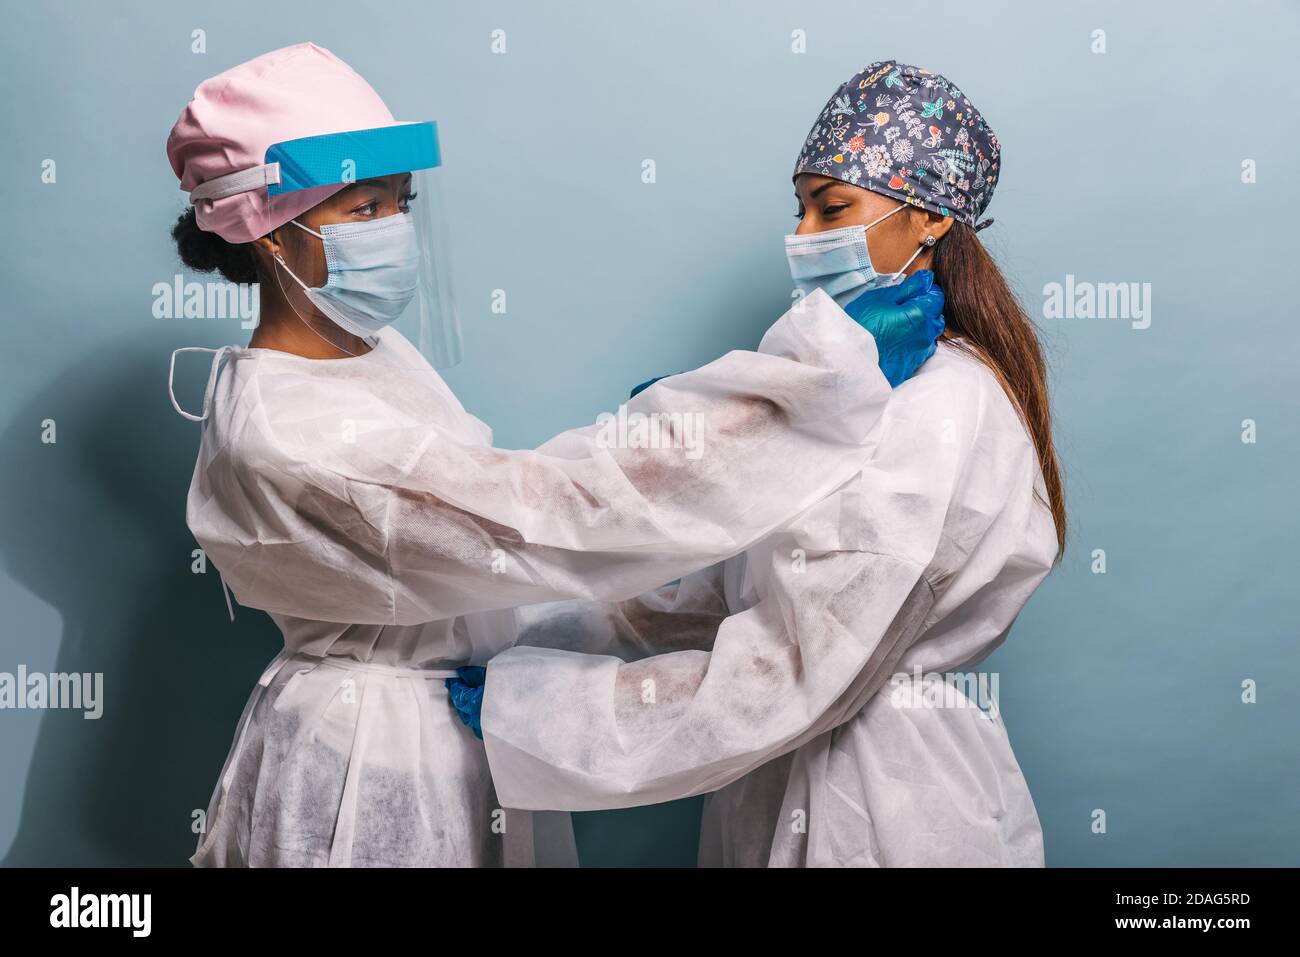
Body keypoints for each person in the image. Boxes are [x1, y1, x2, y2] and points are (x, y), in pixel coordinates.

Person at [165, 44, 946, 866]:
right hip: (365, 764)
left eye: (401, 202)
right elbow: (538, 518)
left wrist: (663, 601)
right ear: (269, 235)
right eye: (362, 210)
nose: (394, 229)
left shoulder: (369, 351)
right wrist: (805, 391)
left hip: (444, 738)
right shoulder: (289, 428)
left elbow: (493, 560)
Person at [461, 60, 1066, 867]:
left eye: (833, 207)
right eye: (802, 209)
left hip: (886, 804)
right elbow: (719, 602)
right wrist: (510, 624)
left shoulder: (945, 404)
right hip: (779, 779)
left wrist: (539, 711)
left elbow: (799, 667)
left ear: (927, 220)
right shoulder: (857, 395)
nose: (803, 237)